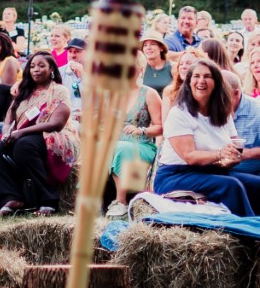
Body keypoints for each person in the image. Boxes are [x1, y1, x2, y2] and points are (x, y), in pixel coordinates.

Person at [153, 60, 260, 215]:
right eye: (196, 76)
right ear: (189, 82)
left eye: (207, 76)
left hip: (212, 171)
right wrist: (220, 154)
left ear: (216, 82)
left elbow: (233, 150)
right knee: (231, 186)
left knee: (256, 184)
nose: (201, 80)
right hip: (176, 175)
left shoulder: (223, 112)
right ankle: (249, 233)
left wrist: (232, 158)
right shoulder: (179, 114)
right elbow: (190, 156)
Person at [0, 52, 79, 216]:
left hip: (53, 135)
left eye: (42, 66)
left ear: (51, 69)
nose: (36, 69)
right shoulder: (23, 91)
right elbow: (8, 119)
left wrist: (20, 133)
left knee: (24, 146)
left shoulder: (58, 90)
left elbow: (56, 123)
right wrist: (7, 133)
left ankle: (48, 200)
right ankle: (11, 197)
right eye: (33, 66)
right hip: (23, 135)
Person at [107, 54, 165, 217]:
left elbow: (161, 127)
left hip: (141, 144)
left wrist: (141, 130)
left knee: (120, 147)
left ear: (140, 69)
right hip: (114, 142)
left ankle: (121, 201)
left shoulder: (149, 93)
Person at [229, 71, 260, 176]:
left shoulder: (257, 111)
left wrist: (248, 153)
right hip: (217, 173)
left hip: (251, 174)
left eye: (222, 94)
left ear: (236, 93)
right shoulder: (208, 108)